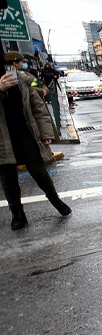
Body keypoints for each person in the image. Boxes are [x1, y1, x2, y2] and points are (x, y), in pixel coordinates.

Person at [1, 55, 71, 230]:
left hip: (26, 133)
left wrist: (46, 133)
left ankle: (55, 200)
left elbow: (38, 107)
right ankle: (17, 213)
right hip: (3, 137)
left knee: (39, 171)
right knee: (8, 177)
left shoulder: (23, 80)